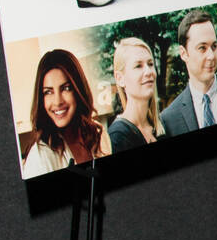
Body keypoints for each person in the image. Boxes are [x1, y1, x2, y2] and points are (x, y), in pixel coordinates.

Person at [22, 48, 112, 177]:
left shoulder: (99, 134)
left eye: (66, 88)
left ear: (78, 90)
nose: (57, 101)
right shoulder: (40, 157)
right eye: (48, 92)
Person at [161, 9, 217, 135]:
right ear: (184, 53)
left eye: (214, 46)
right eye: (202, 48)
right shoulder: (170, 119)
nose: (211, 56)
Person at [108, 37, 164, 150]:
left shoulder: (161, 127)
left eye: (150, 64)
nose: (148, 72)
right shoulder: (118, 136)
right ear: (120, 79)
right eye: (138, 66)